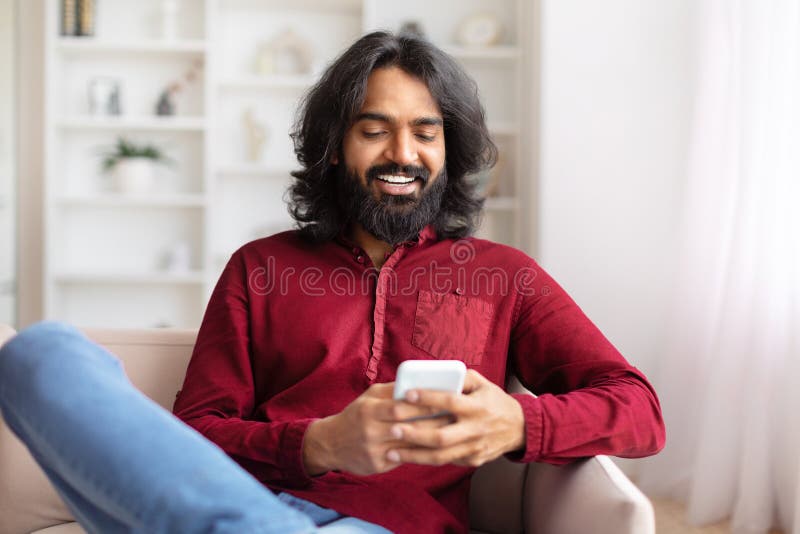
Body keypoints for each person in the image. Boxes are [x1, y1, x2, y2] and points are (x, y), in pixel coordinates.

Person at [0, 31, 665, 534]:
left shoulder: (503, 276)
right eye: (374, 130)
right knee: (39, 353)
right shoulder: (259, 269)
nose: (402, 154)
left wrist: (519, 420)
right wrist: (318, 444)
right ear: (333, 149)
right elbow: (196, 433)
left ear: (448, 151)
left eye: (425, 134)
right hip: (238, 508)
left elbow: (640, 410)